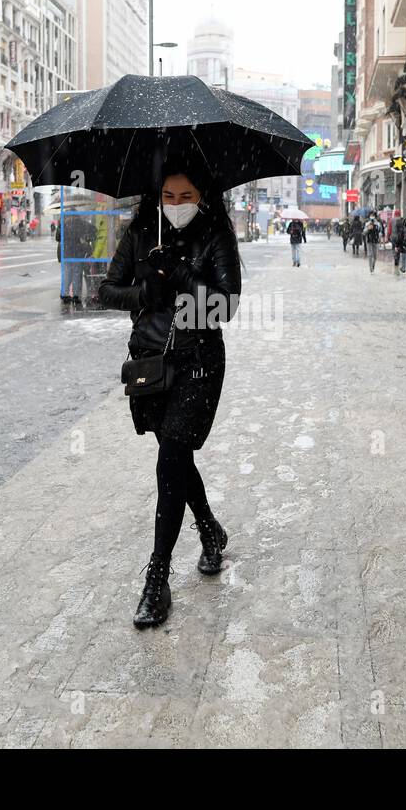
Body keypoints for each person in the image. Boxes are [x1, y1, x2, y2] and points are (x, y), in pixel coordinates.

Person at [98, 161, 242, 628]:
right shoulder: (141, 232)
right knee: (176, 459)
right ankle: (210, 531)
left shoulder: (216, 235)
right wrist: (146, 291)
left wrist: (181, 273)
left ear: (202, 196)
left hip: (199, 363)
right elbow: (106, 291)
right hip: (152, 365)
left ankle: (156, 579)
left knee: (170, 460)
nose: (176, 206)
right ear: (156, 196)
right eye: (168, 196)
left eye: (185, 197)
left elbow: (225, 305)